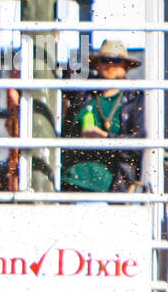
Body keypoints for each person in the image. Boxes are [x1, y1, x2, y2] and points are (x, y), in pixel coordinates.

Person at [60, 40, 145, 192]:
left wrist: (105, 138)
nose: (110, 64)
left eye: (117, 60)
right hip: (69, 181)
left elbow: (137, 144)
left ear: (126, 66)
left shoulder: (135, 99)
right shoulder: (84, 92)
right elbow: (65, 72)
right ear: (97, 65)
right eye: (105, 59)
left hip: (110, 187)